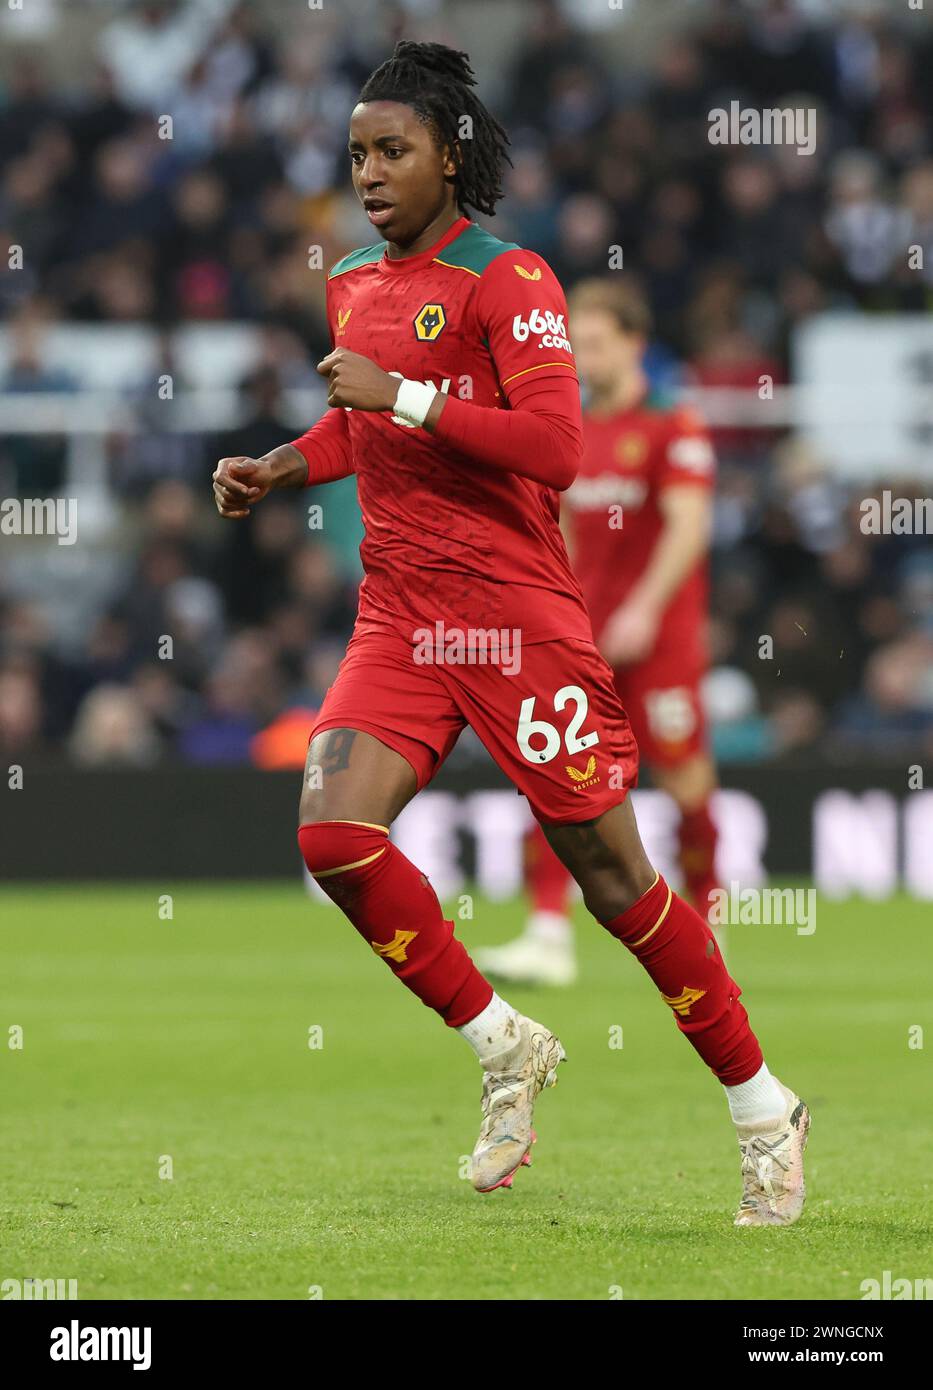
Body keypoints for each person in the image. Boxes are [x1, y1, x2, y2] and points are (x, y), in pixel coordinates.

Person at [212, 41, 808, 1224]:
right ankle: (502, 1043)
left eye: (392, 151)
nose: (369, 175)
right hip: (400, 613)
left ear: (454, 154)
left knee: (614, 877)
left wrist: (410, 397)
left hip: (515, 615)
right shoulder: (352, 283)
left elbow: (554, 449)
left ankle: (761, 1103)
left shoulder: (513, 279)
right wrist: (286, 464)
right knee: (333, 834)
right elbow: (364, 429)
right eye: (356, 156)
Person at [478, 278, 723, 988]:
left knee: (684, 781)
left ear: (633, 343)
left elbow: (689, 526)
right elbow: (561, 534)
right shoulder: (571, 434)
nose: (580, 357)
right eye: (572, 344)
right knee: (555, 771)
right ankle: (547, 933)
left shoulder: (673, 425)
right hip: (580, 636)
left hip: (660, 640)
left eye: (593, 343)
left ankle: (705, 928)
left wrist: (643, 609)